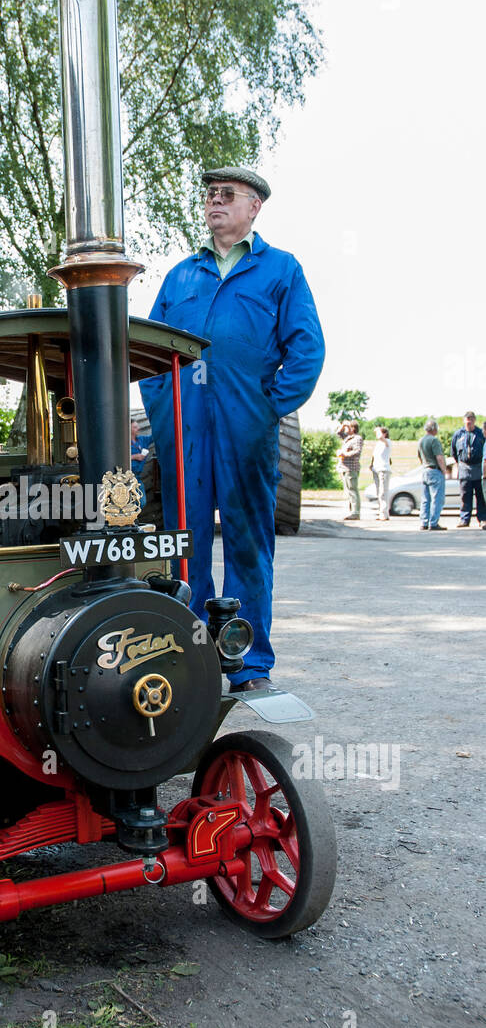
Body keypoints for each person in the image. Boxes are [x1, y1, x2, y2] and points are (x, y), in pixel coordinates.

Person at [139, 165, 324, 692]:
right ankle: (191, 658)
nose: (214, 202)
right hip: (185, 432)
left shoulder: (281, 270)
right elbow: (149, 352)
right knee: (184, 545)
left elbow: (307, 349)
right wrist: (164, 412)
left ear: (254, 207)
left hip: (247, 429)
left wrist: (268, 408)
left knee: (248, 545)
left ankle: (248, 660)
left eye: (227, 195)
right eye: (210, 195)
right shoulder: (181, 275)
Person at [450, 411, 486, 529]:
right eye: (467, 420)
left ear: (474, 421)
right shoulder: (458, 434)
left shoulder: (480, 434)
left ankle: (482, 519)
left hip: (478, 468)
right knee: (465, 496)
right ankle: (465, 519)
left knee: (480, 496)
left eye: (471, 420)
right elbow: (454, 453)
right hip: (464, 468)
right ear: (464, 420)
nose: (469, 422)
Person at [417, 418, 447, 530]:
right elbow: (439, 457)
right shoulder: (434, 441)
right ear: (434, 429)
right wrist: (444, 470)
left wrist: (424, 464)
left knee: (425, 498)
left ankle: (424, 522)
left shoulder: (421, 441)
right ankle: (433, 523)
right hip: (434, 470)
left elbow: (419, 456)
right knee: (437, 498)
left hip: (425, 470)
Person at [337, 420, 364, 520]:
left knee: (353, 490)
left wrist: (345, 454)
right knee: (348, 491)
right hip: (344, 467)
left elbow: (357, 451)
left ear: (353, 428)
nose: (346, 429)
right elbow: (338, 433)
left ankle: (356, 512)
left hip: (351, 468)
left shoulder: (357, 438)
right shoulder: (348, 438)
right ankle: (352, 511)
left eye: (348, 427)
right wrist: (343, 425)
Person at [370, 426, 392, 521]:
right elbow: (374, 455)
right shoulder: (378, 444)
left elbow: (380, 437)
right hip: (376, 469)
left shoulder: (387, 442)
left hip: (384, 469)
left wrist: (377, 429)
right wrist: (371, 465)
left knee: (383, 492)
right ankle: (381, 511)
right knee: (378, 492)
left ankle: (384, 513)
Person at [130, 418, 150, 494]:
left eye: (137, 426)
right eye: (135, 427)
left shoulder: (142, 440)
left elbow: (155, 436)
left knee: (142, 502)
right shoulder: (124, 443)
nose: (138, 428)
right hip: (127, 478)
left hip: (137, 477)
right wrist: (134, 457)